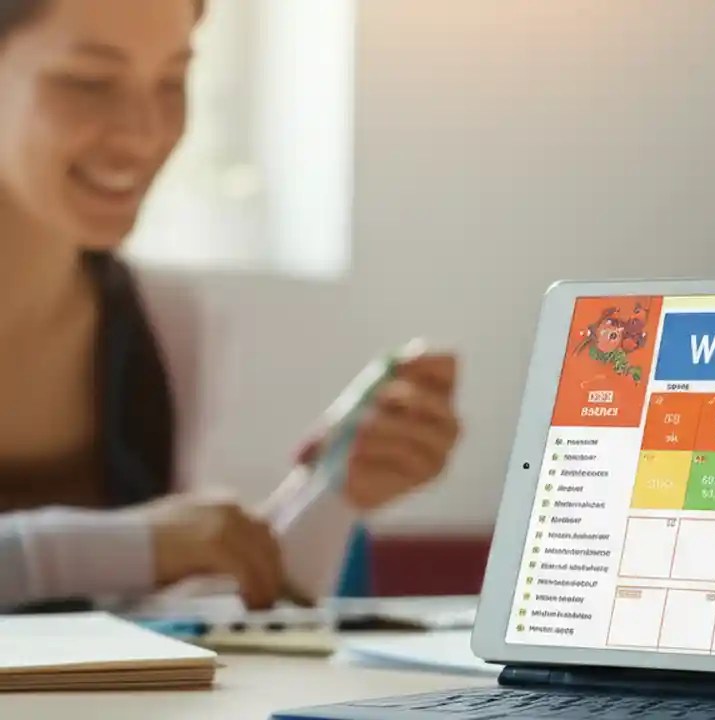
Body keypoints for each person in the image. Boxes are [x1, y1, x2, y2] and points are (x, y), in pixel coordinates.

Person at [0, 0, 460, 610]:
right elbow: (144, 552)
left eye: (172, 79)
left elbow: (169, 616)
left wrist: (332, 494)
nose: (144, 131)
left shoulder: (167, 324)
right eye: (89, 81)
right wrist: (142, 542)